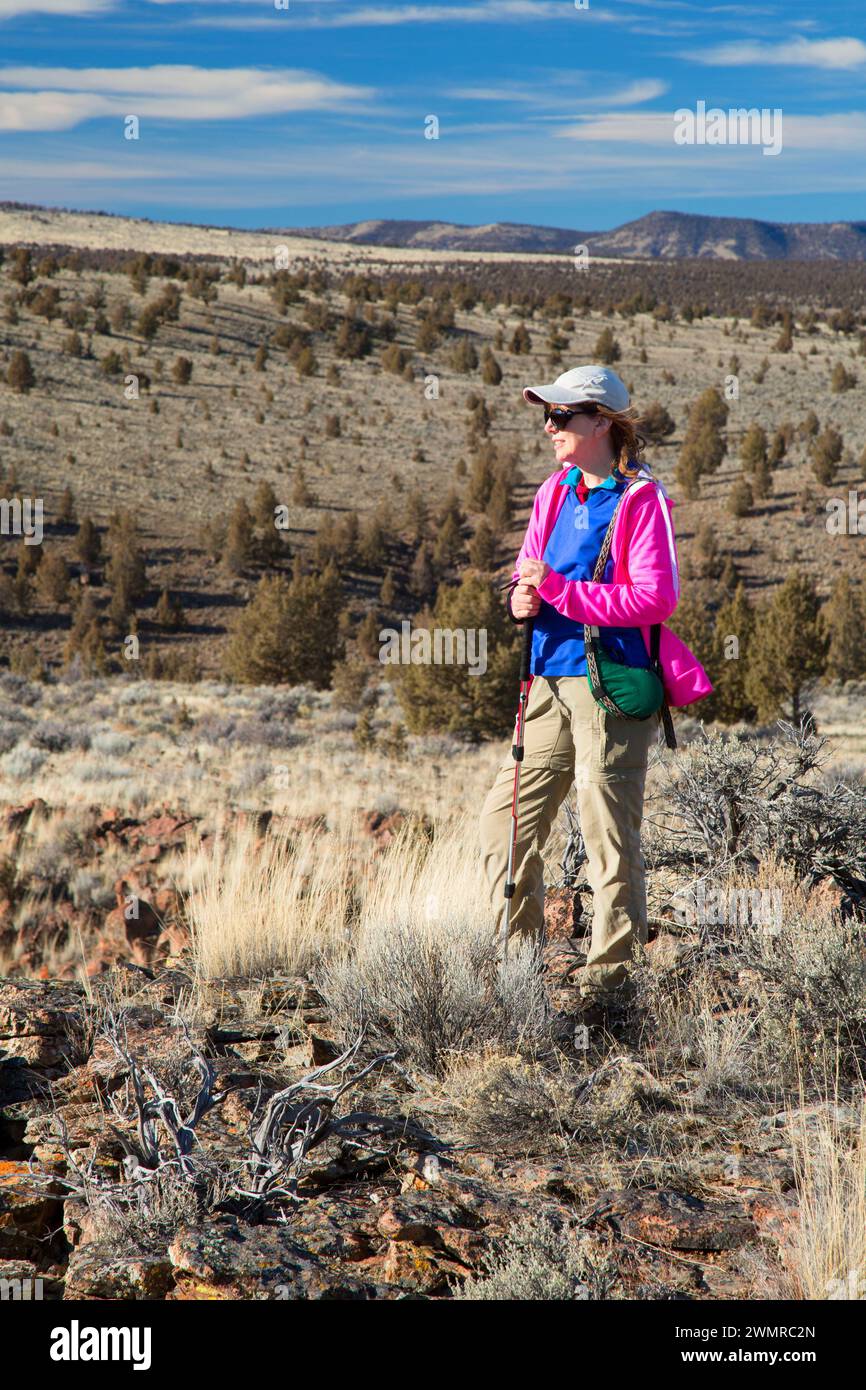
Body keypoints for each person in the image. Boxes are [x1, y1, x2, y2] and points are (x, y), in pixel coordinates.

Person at [479, 364, 712, 1022]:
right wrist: (520, 599)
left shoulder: (640, 501)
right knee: (505, 827)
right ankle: (520, 980)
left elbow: (655, 597)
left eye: (562, 416)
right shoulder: (554, 493)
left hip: (608, 682)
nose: (549, 426)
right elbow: (530, 580)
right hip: (546, 679)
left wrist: (555, 589)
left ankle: (611, 997)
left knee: (607, 835)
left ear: (601, 425)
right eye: (547, 415)